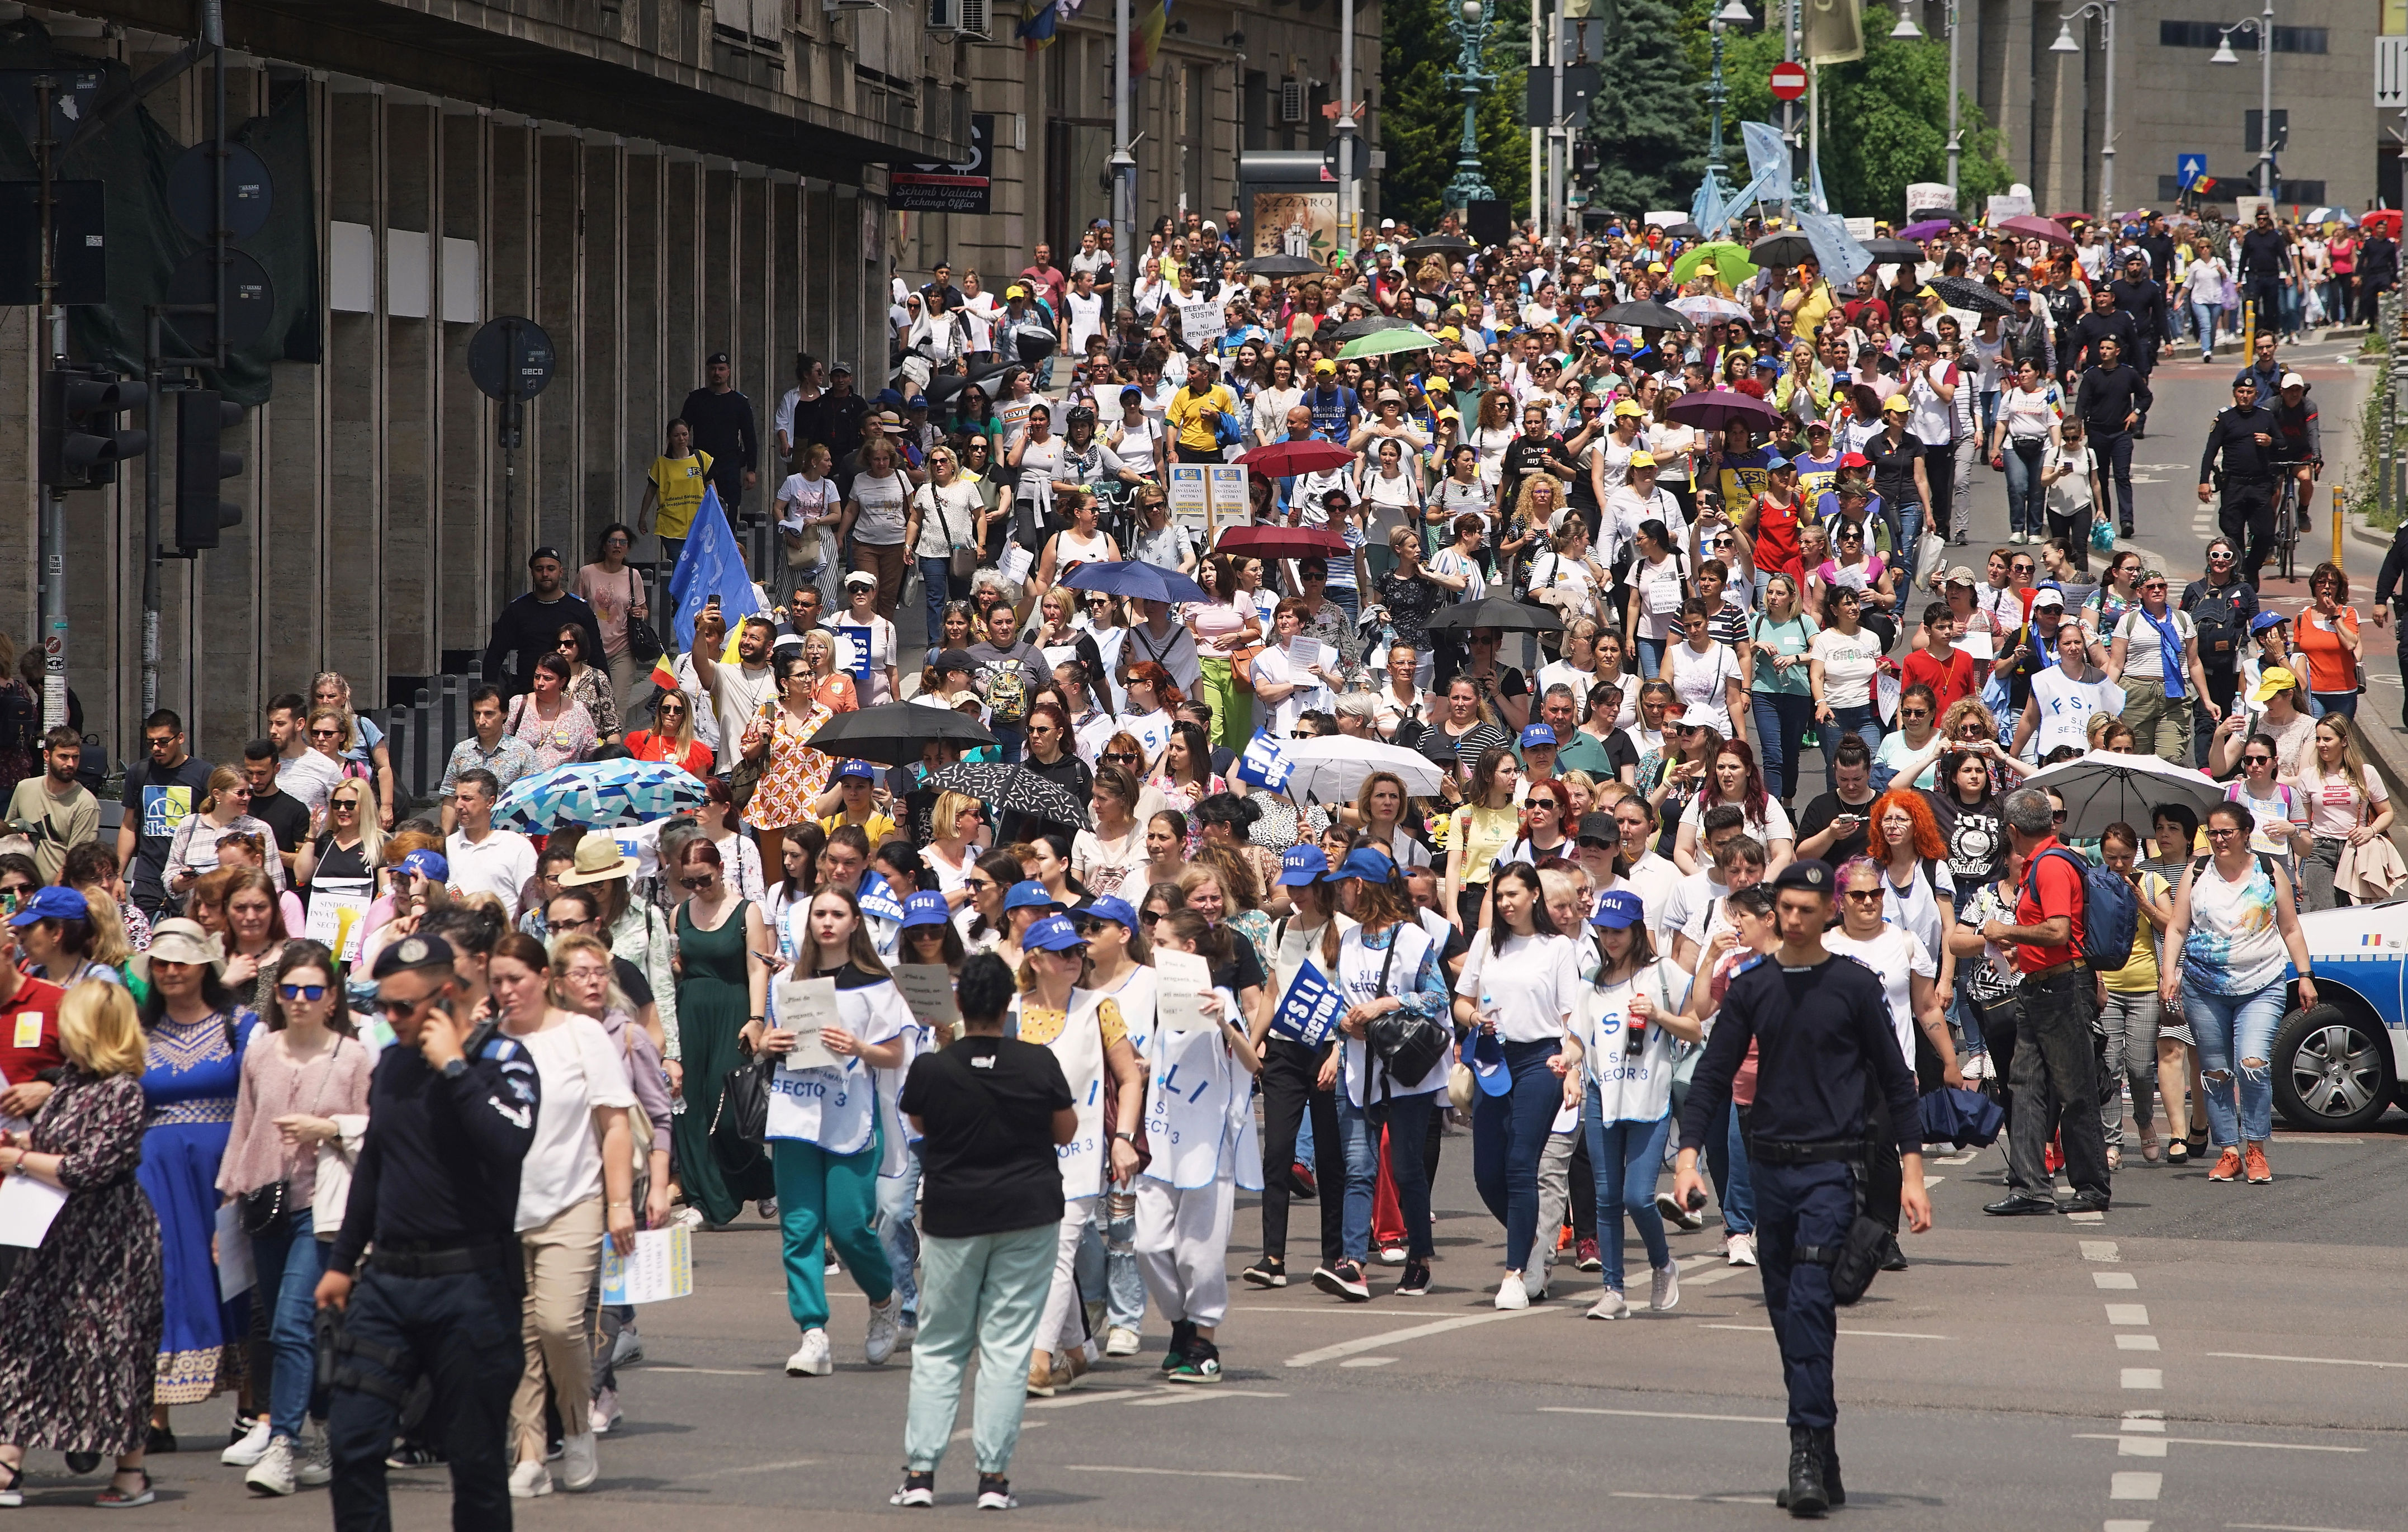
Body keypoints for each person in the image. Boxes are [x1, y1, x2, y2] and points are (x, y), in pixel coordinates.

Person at [1671, 858, 1929, 1517]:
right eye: (1781, 909)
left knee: (1812, 1302)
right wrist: (1687, 1157)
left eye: (1804, 910)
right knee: (1790, 1318)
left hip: (1830, 1170)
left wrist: (1911, 1172)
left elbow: (1897, 1081)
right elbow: (1711, 1074)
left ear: (1827, 912)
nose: (1790, 920)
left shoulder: (1851, 984)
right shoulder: (1752, 986)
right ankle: (1825, 1449)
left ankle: (1805, 1453)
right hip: (1769, 1172)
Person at [315, 930, 540, 1529]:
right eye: (382, 1006)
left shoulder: (503, 1060)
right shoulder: (391, 1063)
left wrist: (457, 1069)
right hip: (386, 1282)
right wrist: (341, 1263)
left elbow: (508, 1143)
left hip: (470, 1285)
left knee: (475, 1462)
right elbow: (375, 1167)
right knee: (354, 1442)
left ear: (445, 996)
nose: (390, 1019)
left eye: (402, 1007)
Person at [891, 952, 1075, 1512]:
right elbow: (1064, 1128)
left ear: (960, 1004)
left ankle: (920, 1472)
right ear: (1006, 1003)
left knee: (941, 1345)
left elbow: (919, 1121)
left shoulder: (933, 1067)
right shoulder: (1037, 1061)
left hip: (955, 1216)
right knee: (1006, 1347)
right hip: (1028, 1211)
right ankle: (993, 1478)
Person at [214, 941, 373, 1495]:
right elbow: (243, 1127)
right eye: (289, 990)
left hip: (322, 1207)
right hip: (264, 1201)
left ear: (332, 998)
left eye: (311, 991)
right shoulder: (261, 1051)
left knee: (291, 1323)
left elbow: (376, 1132)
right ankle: (326, 1426)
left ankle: (284, 1442)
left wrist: (326, 1129)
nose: (300, 1000)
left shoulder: (353, 1057)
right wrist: (227, 1205)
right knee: (291, 1327)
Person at [0, 980, 164, 1509]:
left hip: (111, 1245)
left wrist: (22, 1162)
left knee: (113, 1351)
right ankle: (8, 1459)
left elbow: (89, 1167)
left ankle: (131, 1472)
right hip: (53, 1237)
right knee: (26, 1337)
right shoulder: (68, 1084)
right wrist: (23, 1144)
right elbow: (56, 1145)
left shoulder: (125, 1092)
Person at [1011, 912, 1147, 1394]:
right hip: (1022, 1155)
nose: (1075, 959)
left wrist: (1124, 1137)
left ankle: (1038, 1361)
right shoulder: (1012, 1012)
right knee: (1045, 1254)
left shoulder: (1099, 1007)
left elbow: (1130, 1077)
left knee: (1057, 1250)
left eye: (1078, 952)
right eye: (1063, 953)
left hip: (1082, 1151)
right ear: (1035, 959)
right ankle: (1075, 1350)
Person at [2158, 802, 2317, 1185]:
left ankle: (2256, 1149)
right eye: (2212, 832)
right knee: (2214, 1072)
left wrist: (2305, 975)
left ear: (2245, 833)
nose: (2218, 839)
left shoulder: (2268, 870)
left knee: (2252, 1064)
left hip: (2260, 984)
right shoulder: (2196, 873)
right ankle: (2228, 1151)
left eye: (2226, 832)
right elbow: (2177, 928)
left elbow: (2290, 928)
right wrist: (2168, 973)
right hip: (2204, 988)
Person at [1136, 909, 1262, 1381]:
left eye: (1162, 941)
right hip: (1162, 1138)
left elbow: (1252, 1065)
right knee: (1148, 1245)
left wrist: (1225, 1024)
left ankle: (1203, 1346)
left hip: (1209, 1145)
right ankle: (1180, 1323)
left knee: (1199, 1253)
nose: (1155, 948)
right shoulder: (1155, 997)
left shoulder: (1220, 997)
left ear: (1188, 949)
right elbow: (1154, 1059)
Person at [1322, 847, 1451, 1303]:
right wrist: (1344, 1024)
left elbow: (1439, 999)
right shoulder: (1349, 938)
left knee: (1406, 1168)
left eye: (1345, 883)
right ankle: (1353, 1263)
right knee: (1358, 1168)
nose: (1340, 890)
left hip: (1406, 1073)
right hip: (1357, 1068)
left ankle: (1419, 1259)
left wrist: (1388, 1004)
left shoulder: (1413, 940)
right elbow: (1338, 1001)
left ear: (1363, 886)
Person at [1560, 890, 1697, 1318]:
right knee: (1605, 1198)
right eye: (1601, 931)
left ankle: (1662, 1263)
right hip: (1604, 1096)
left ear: (1636, 929)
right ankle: (1613, 1291)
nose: (1608, 940)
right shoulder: (1592, 981)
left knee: (1637, 1196)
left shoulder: (1665, 974)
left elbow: (1694, 1030)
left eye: (1616, 932)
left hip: (1650, 1097)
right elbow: (1579, 1040)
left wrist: (1657, 1015)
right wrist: (1567, 1065)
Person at [1980, 787, 2112, 1216]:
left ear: (2013, 831)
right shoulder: (2044, 863)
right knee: (2024, 1087)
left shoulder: (2051, 867)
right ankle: (2029, 1186)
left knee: (2074, 1090)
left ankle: (2091, 1186)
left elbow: (2057, 932)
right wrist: (2023, 951)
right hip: (2039, 986)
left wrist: (2006, 933)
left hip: (2060, 989)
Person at [668, 838, 770, 1229]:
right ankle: (703, 1201)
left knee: (727, 1113)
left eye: (704, 880)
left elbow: (757, 968)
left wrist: (757, 1018)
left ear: (721, 870)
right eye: (689, 882)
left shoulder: (747, 913)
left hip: (733, 1010)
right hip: (690, 1012)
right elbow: (679, 963)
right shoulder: (679, 914)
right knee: (690, 1109)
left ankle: (763, 1178)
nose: (697, 889)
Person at [2106, 569, 2218, 761]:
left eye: (2162, 586)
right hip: (2137, 695)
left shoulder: (2183, 619)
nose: (2157, 590)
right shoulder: (2129, 621)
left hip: (2175, 696)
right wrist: (2107, 698)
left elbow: (2194, 662)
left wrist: (2207, 700)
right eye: (2151, 587)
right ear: (2140, 592)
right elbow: (2116, 664)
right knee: (2137, 758)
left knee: (2170, 758)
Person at [118, 710, 214, 920]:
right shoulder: (139, 772)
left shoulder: (203, 774)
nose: (156, 748)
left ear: (180, 738)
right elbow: (129, 826)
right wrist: (118, 875)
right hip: (148, 876)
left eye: (163, 742)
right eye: (151, 742)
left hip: (189, 876)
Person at [482, 548, 608, 701]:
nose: (545, 574)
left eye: (551, 569)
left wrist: (604, 693)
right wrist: (489, 695)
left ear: (561, 572)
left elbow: (596, 655)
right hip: (528, 692)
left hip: (572, 694)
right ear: (532, 573)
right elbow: (495, 655)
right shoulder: (517, 610)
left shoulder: (580, 610)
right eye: (539, 569)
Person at [445, 768, 539, 921]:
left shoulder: (517, 846)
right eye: (456, 798)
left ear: (490, 802)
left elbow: (533, 901)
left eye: (467, 798)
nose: (458, 805)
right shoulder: (447, 845)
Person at [6, 726, 96, 882]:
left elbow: (74, 864)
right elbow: (7, 836)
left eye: (75, 757)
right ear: (47, 756)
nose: (70, 763)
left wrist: (51, 898)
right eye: (64, 756)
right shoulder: (25, 788)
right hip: (20, 889)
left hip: (58, 894)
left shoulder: (86, 804)